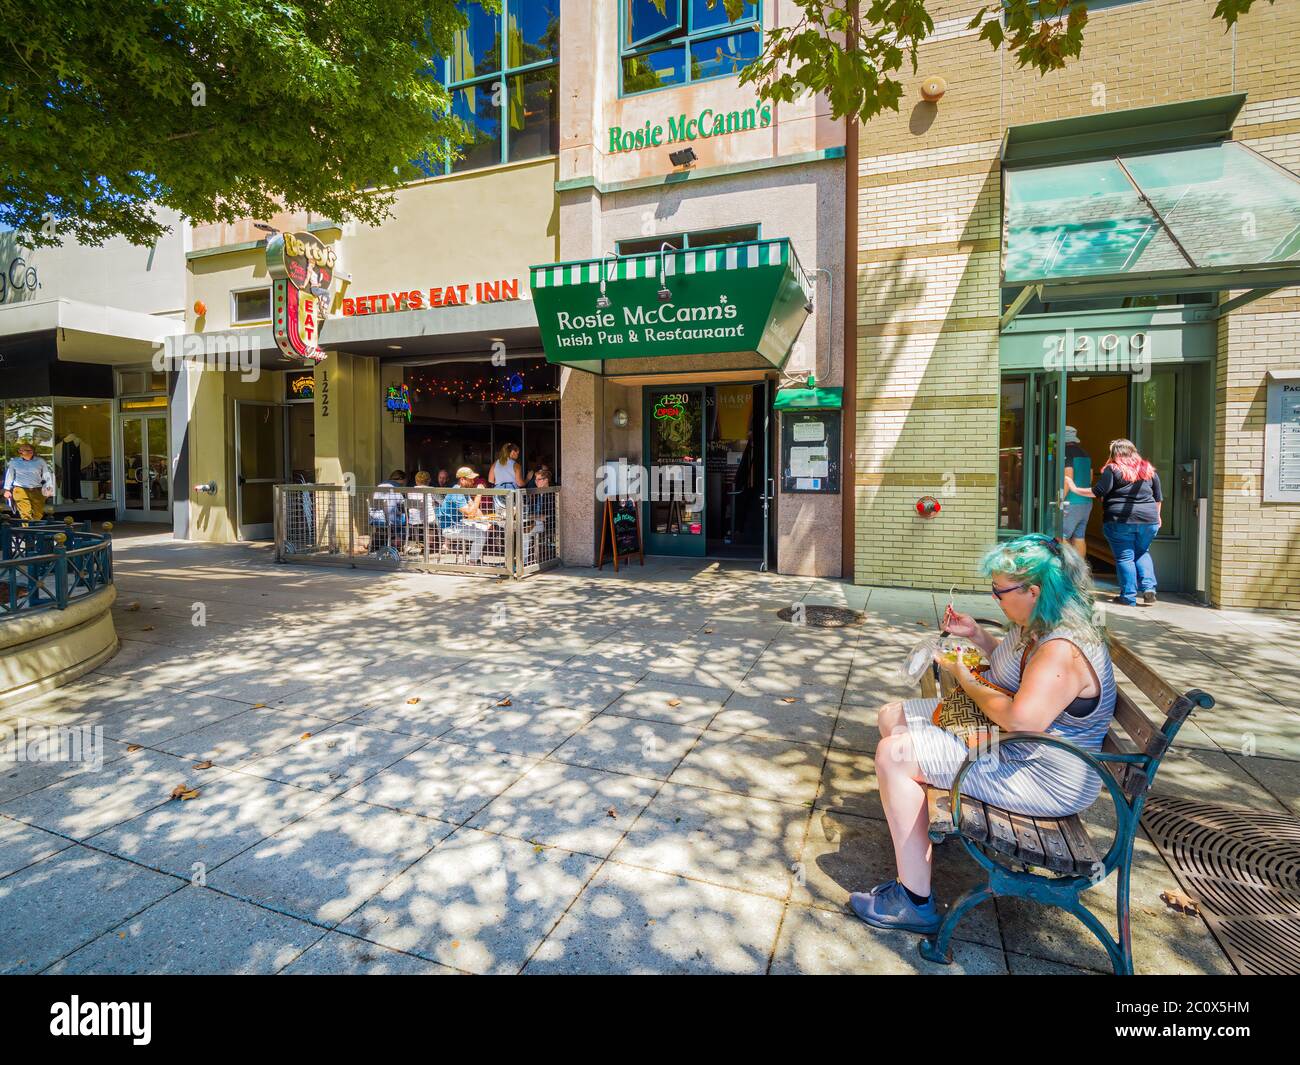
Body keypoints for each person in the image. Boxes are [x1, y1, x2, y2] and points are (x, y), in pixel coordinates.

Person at [851, 534, 1116, 936]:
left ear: (1034, 590)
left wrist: (963, 677)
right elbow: (1011, 672)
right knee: (893, 715)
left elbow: (1021, 721)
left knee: (894, 755)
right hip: (1014, 751)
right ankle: (919, 836)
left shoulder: (1062, 648)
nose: (995, 597)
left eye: (1000, 590)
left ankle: (914, 901)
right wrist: (976, 636)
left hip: (1041, 776)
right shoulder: (1041, 622)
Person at [1065, 438, 1161, 606]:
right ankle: (1149, 588)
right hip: (1149, 520)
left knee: (1125, 557)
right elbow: (1158, 496)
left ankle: (1129, 596)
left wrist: (1074, 488)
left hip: (1120, 521)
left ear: (1115, 453)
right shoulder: (1148, 469)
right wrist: (1158, 517)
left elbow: (1098, 491)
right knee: (1142, 552)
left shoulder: (1113, 469)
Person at [436, 466, 487, 562]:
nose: (473, 482)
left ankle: (473, 560)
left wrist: (486, 521)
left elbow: (475, 510)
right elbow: (470, 512)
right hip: (449, 529)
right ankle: (472, 563)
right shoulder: (457, 492)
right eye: (471, 479)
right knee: (481, 536)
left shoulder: (463, 491)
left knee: (483, 529)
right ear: (462, 479)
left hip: (458, 525)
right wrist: (479, 494)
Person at [1060, 426, 1092, 559]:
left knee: (1061, 537)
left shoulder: (1066, 452)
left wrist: (1060, 499)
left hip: (1070, 502)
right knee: (1079, 537)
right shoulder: (1085, 453)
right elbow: (1090, 478)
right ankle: (1080, 571)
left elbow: (1068, 477)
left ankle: (1068, 570)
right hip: (1086, 502)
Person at [3, 440, 55, 521]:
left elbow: (46, 474)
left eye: (23, 450)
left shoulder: (40, 461)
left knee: (38, 513)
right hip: (20, 490)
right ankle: (28, 532)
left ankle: (32, 530)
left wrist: (49, 488)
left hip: (37, 490)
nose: (20, 452)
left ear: (31, 451)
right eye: (20, 450)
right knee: (25, 514)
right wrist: (7, 490)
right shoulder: (14, 462)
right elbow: (10, 476)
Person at [522, 465, 553, 564]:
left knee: (525, 531)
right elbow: (529, 512)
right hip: (534, 521)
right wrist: (533, 517)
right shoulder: (535, 494)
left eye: (539, 479)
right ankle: (523, 560)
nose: (536, 482)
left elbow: (546, 517)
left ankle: (523, 561)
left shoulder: (552, 494)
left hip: (548, 524)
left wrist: (532, 517)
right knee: (518, 528)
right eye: (535, 479)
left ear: (546, 480)